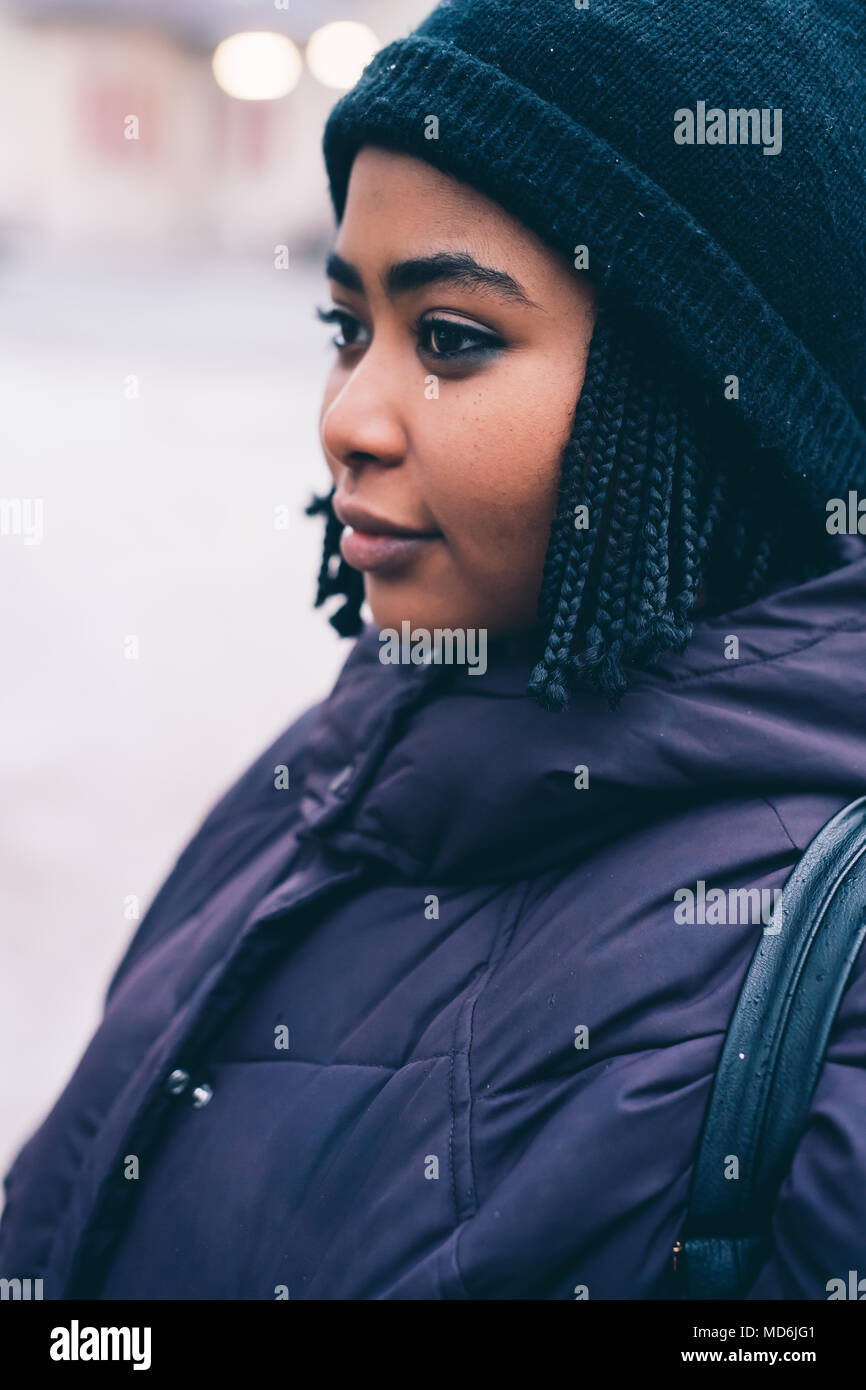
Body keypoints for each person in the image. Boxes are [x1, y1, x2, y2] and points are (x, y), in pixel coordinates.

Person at [2, 0, 865, 1301]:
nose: (346, 417)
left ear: (708, 405)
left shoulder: (820, 1007)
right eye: (344, 328)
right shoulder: (337, 765)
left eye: (451, 338)